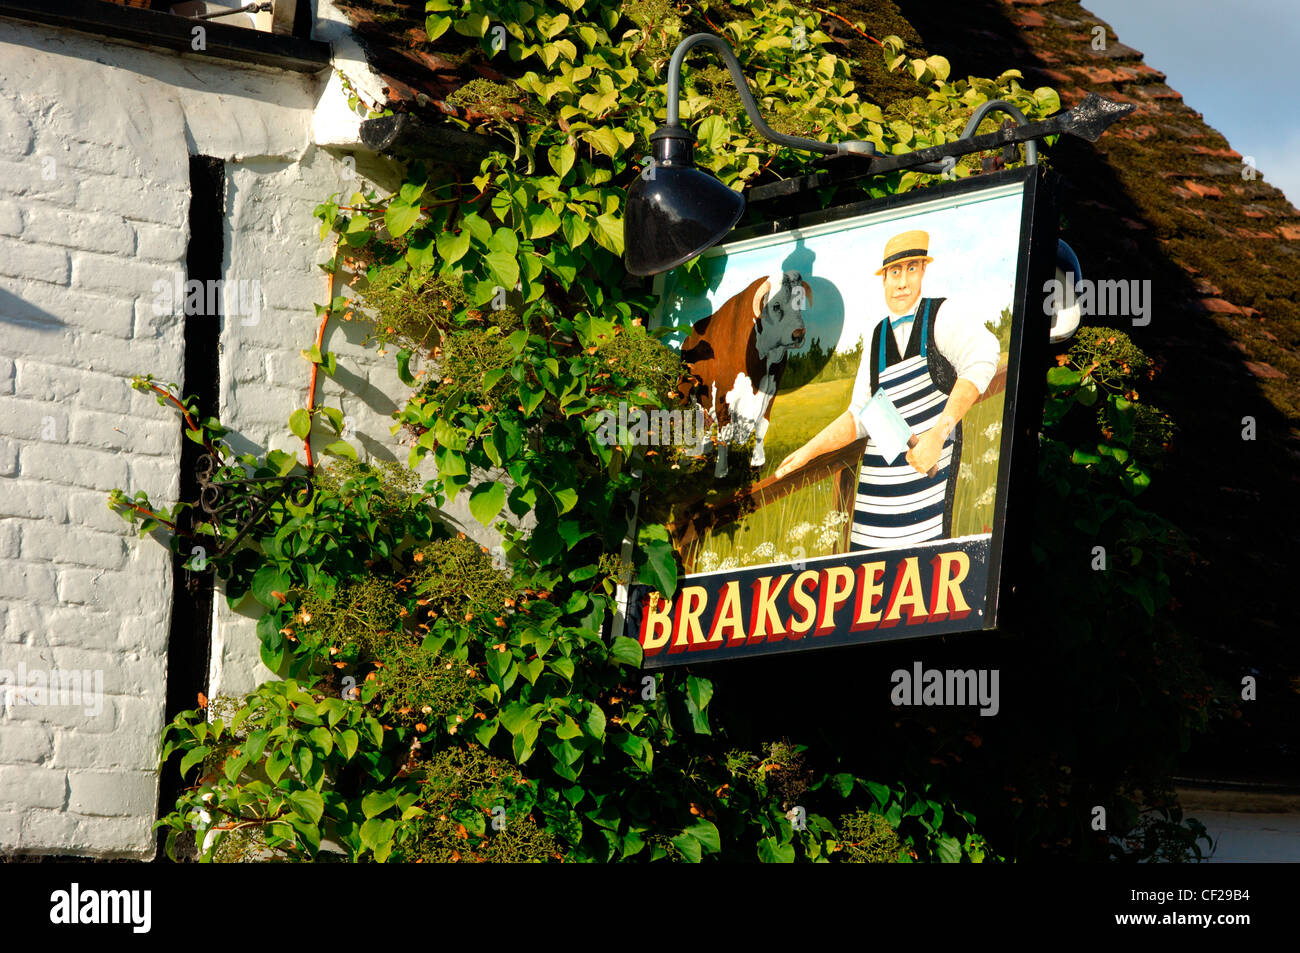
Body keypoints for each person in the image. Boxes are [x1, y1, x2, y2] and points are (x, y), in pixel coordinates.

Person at [774, 230, 1000, 550]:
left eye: (911, 269)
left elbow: (983, 357)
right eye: (895, 272)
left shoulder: (941, 315)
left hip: (927, 493)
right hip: (876, 498)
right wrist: (809, 451)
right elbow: (863, 414)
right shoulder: (878, 335)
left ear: (923, 271)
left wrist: (938, 434)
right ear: (884, 279)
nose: (902, 282)